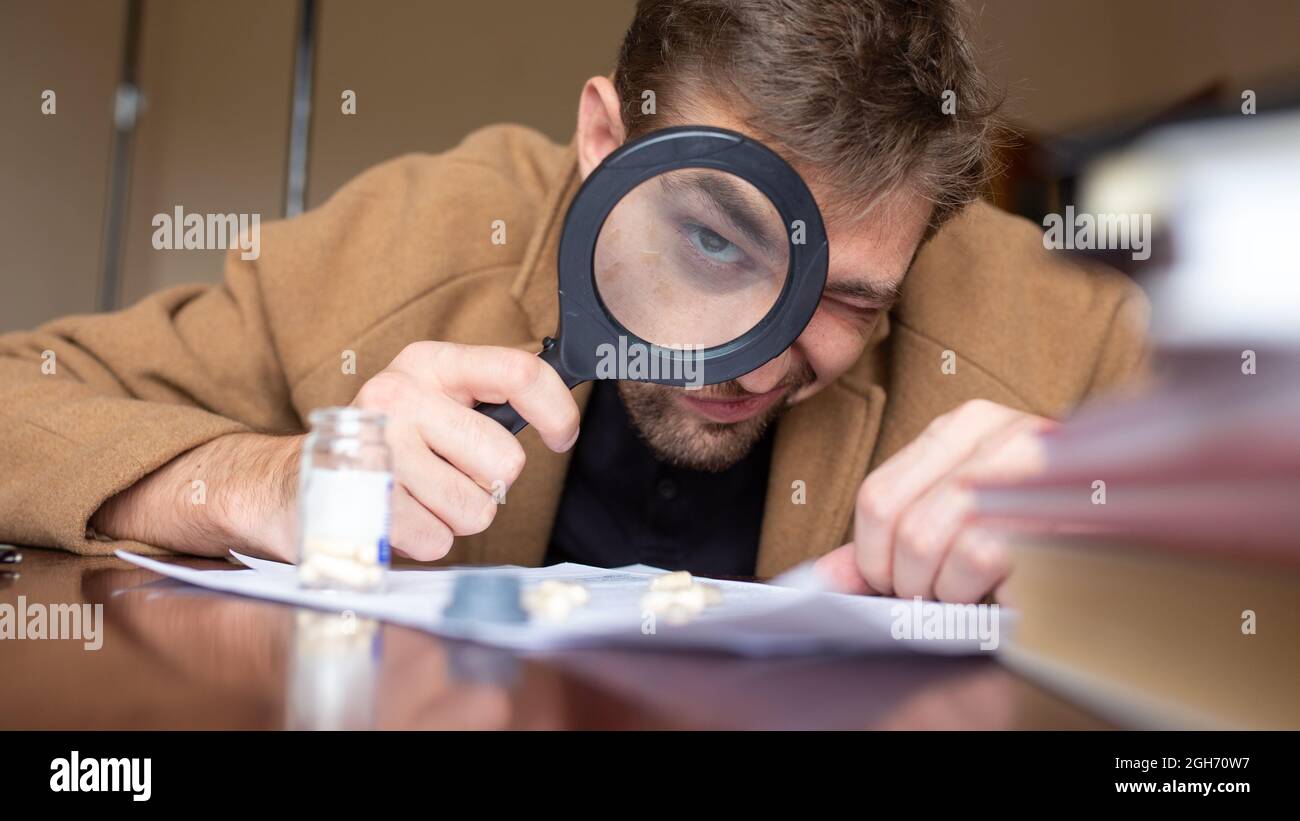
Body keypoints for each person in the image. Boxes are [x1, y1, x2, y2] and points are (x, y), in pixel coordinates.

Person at [0, 0, 1146, 603]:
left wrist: (1106, 528)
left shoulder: (1055, 325)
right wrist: (264, 480)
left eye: (846, 296)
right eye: (711, 237)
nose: (749, 360)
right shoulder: (411, 238)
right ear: (604, 142)